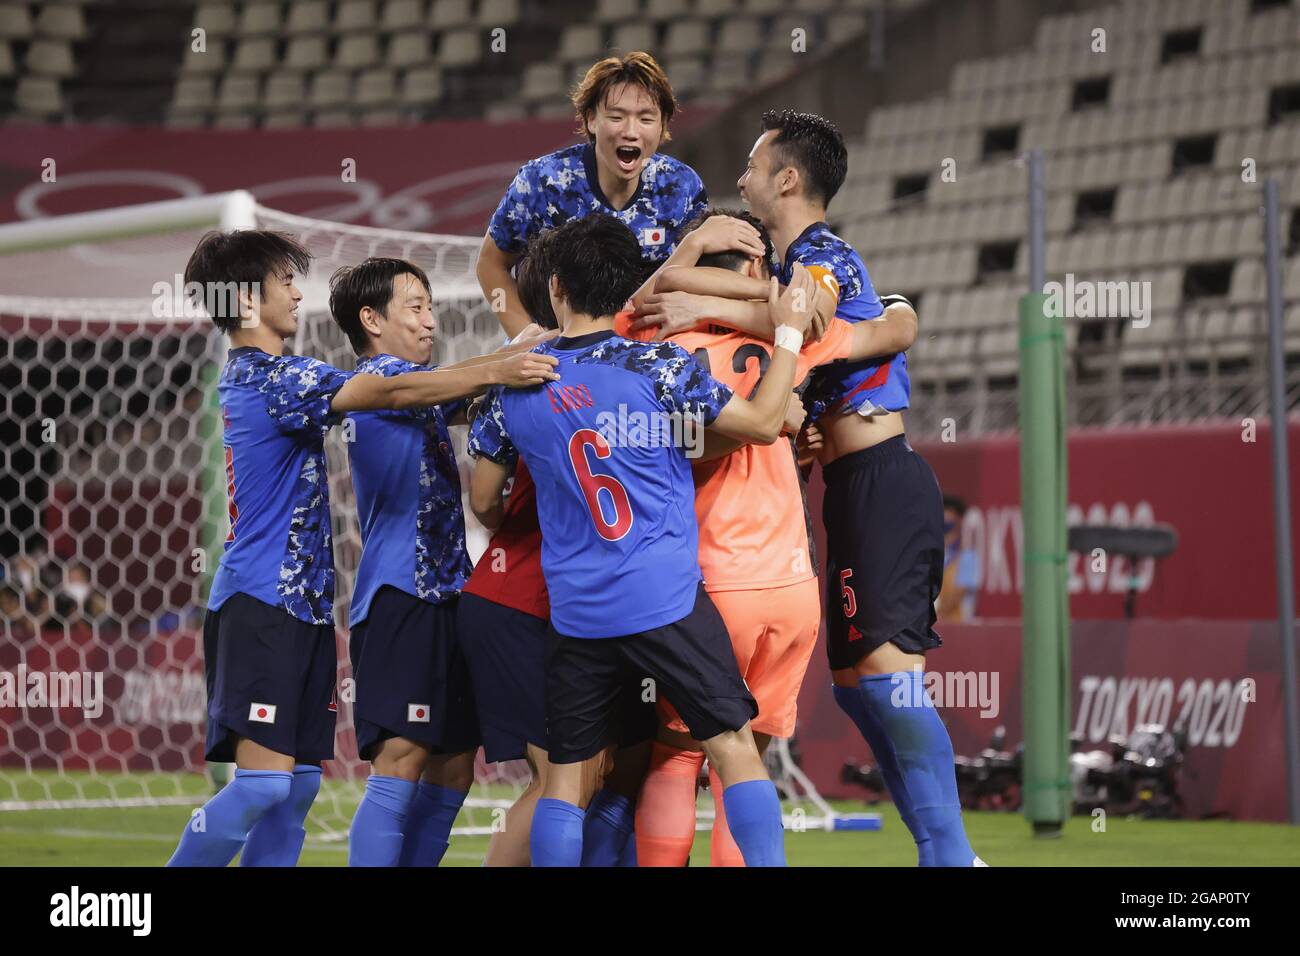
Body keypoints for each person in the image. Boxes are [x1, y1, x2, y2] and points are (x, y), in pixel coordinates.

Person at [631, 111, 983, 866]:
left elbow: (810, 318)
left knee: (887, 681)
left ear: (787, 180)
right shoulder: (795, 261)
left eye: (753, 166)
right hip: (846, 485)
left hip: (882, 477)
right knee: (858, 687)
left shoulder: (819, 254)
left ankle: (953, 856)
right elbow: (864, 324)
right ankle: (934, 848)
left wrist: (700, 302)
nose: (740, 178)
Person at [166, 230, 558, 867]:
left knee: (299, 790)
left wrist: (522, 368)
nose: (298, 293)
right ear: (242, 298)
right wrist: (504, 363)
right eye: (283, 280)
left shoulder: (295, 381)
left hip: (308, 609)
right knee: (269, 782)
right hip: (264, 603)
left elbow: (436, 398)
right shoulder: (272, 378)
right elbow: (393, 390)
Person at [467, 214, 820, 866]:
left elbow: (485, 501)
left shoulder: (511, 384)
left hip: (575, 609)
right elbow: (765, 421)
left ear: (556, 286)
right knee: (731, 746)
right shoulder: (659, 365)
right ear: (626, 284)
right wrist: (792, 330)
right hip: (664, 599)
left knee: (567, 782)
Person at [616, 208, 919, 865]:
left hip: (701, 585)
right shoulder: (792, 337)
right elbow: (883, 330)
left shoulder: (655, 334)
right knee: (748, 758)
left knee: (676, 756)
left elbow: (618, 315)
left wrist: (686, 274)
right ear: (756, 268)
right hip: (788, 585)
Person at [476, 51, 732, 339]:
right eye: (616, 117)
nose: (631, 131)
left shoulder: (682, 187)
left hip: (647, 348)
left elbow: (697, 275)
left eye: (646, 119)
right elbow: (491, 264)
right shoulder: (542, 182)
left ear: (662, 127)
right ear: (590, 121)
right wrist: (525, 336)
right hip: (559, 350)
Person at [937, 495, 980, 622]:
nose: (944, 516)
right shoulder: (930, 555)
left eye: (949, 512)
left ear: (959, 519)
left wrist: (936, 614)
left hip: (959, 626)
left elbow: (959, 594)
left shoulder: (967, 557)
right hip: (933, 629)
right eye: (941, 512)